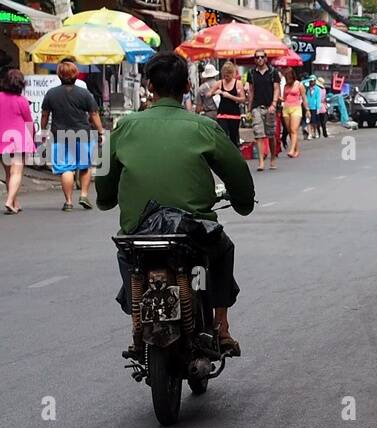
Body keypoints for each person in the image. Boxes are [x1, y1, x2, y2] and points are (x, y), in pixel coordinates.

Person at [96, 52, 254, 357]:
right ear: (187, 87)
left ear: (150, 87)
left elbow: (102, 168)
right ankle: (221, 326)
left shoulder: (123, 127)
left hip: (138, 231)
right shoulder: (204, 126)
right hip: (192, 231)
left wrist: (105, 198)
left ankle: (136, 324)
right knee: (222, 250)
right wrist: (242, 202)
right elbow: (237, 170)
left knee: (127, 256)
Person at [40, 60, 103, 211]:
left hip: (59, 135)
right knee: (85, 166)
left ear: (59, 75)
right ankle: (84, 195)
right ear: (76, 75)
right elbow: (94, 114)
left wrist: (43, 130)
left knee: (65, 168)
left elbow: (44, 115)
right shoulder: (84, 93)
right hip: (83, 134)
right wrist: (100, 130)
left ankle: (68, 201)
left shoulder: (51, 93)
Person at [0, 69, 34, 214]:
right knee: (17, 172)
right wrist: (33, 137)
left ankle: (15, 202)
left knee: (9, 173)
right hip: (19, 139)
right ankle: (9, 201)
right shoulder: (22, 101)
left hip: (2, 140)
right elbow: (28, 121)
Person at [246, 50, 280, 171]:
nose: (259, 59)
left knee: (271, 134)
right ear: (255, 59)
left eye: (262, 57)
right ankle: (261, 161)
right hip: (256, 106)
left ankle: (273, 158)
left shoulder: (273, 72)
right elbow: (251, 91)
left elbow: (276, 88)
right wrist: (249, 108)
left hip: (270, 106)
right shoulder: (251, 73)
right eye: (257, 57)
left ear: (266, 58)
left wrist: (274, 104)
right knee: (258, 134)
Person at [212, 61, 245, 148]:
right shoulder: (219, 83)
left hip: (234, 114)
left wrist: (229, 96)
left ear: (232, 74)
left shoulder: (238, 83)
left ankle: (234, 152)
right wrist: (215, 92)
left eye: (228, 76)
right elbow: (208, 94)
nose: (226, 78)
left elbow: (243, 99)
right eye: (224, 76)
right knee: (223, 136)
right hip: (222, 113)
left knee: (233, 137)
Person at [280, 67, 305, 157]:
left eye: (289, 76)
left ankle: (291, 150)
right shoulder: (286, 86)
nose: (288, 78)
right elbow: (284, 98)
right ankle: (296, 150)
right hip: (286, 108)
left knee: (294, 129)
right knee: (290, 131)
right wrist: (277, 98)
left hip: (296, 108)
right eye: (286, 76)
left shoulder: (299, 84)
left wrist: (307, 110)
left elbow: (304, 98)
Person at [305, 76, 322, 140]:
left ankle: (315, 132)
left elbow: (318, 99)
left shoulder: (317, 89)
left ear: (315, 81)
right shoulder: (307, 88)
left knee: (314, 121)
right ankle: (309, 133)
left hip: (314, 107)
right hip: (308, 107)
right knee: (308, 121)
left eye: (313, 81)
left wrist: (318, 108)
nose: (312, 82)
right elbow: (305, 97)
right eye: (311, 81)